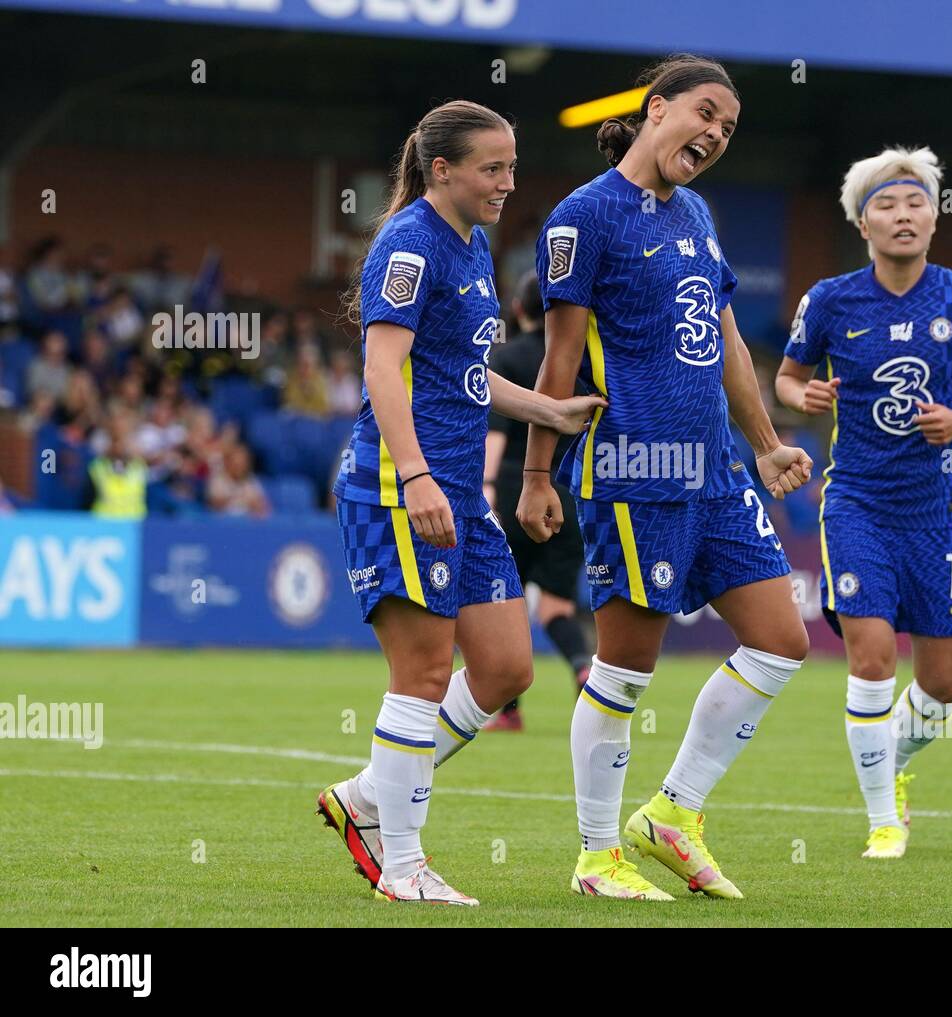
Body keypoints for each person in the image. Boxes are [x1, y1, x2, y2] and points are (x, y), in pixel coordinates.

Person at [520, 55, 813, 901]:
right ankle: (596, 854)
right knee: (626, 666)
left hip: (718, 470)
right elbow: (561, 359)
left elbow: (724, 340)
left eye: (730, 126)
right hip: (633, 465)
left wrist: (763, 443)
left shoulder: (695, 213)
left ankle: (673, 813)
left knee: (782, 640)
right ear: (656, 110)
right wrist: (539, 473)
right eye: (706, 113)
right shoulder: (584, 217)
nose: (717, 133)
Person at [316, 100, 604, 906]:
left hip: (456, 497)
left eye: (512, 167)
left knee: (508, 667)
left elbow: (467, 374)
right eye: (492, 168)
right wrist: (414, 476)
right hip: (399, 486)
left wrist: (547, 410)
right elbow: (382, 369)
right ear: (441, 169)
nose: (508, 183)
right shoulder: (409, 242)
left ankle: (368, 795)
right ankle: (402, 865)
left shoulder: (473, 246)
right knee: (423, 671)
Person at [774, 146, 952, 860]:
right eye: (886, 204)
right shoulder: (831, 298)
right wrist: (802, 395)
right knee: (871, 659)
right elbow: (787, 378)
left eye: (915, 203)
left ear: (934, 217)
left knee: (941, 686)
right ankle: (883, 820)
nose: (903, 215)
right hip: (857, 503)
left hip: (938, 510)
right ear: (862, 221)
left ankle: (894, 768)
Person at [482, 271, 591, 732]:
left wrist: (486, 486)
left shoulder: (503, 359)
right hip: (571, 493)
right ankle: (585, 666)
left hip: (517, 490)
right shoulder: (577, 361)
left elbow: (496, 433)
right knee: (557, 609)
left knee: (502, 602)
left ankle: (507, 710)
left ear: (519, 311)